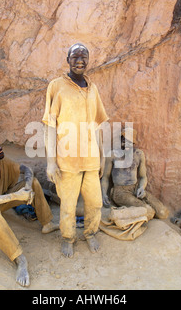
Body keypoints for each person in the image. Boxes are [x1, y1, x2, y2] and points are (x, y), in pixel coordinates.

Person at [43, 43, 109, 258]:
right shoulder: (56, 86)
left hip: (90, 159)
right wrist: (51, 162)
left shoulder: (93, 88)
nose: (80, 60)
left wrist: (102, 157)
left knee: (95, 202)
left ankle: (90, 233)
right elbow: (50, 126)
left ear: (88, 60)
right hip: (67, 159)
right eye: (75, 56)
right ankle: (68, 237)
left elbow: (98, 124)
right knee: (69, 205)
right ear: (68, 59)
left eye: (84, 56)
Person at [0, 135, 59, 287]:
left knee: (34, 183)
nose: (0, 148)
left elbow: (26, 169)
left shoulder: (2, 162)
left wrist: (28, 188)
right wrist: (15, 196)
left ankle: (47, 223)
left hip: (1, 201)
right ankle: (20, 259)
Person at [101, 127, 169, 220]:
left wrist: (141, 188)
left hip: (135, 188)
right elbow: (105, 177)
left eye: (129, 142)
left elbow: (143, 177)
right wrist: (104, 194)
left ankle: (132, 210)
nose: (125, 144)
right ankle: (120, 213)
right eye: (123, 141)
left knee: (162, 213)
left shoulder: (139, 154)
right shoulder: (113, 155)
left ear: (133, 142)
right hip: (120, 192)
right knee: (148, 211)